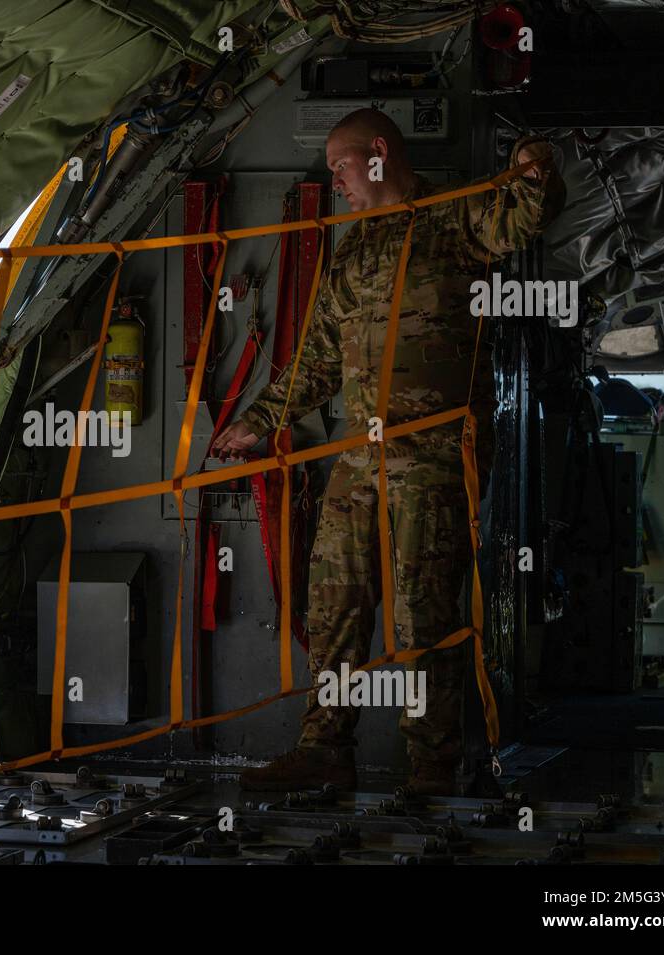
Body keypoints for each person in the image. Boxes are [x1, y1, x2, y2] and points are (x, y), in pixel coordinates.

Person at [210, 109, 564, 795]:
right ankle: (324, 748)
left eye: (340, 167)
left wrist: (534, 160)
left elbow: (523, 215)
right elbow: (315, 358)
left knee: (424, 610)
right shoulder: (355, 252)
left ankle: (432, 764)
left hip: (434, 454)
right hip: (359, 455)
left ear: (377, 154)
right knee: (333, 597)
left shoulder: (455, 218)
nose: (336, 182)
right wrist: (258, 421)